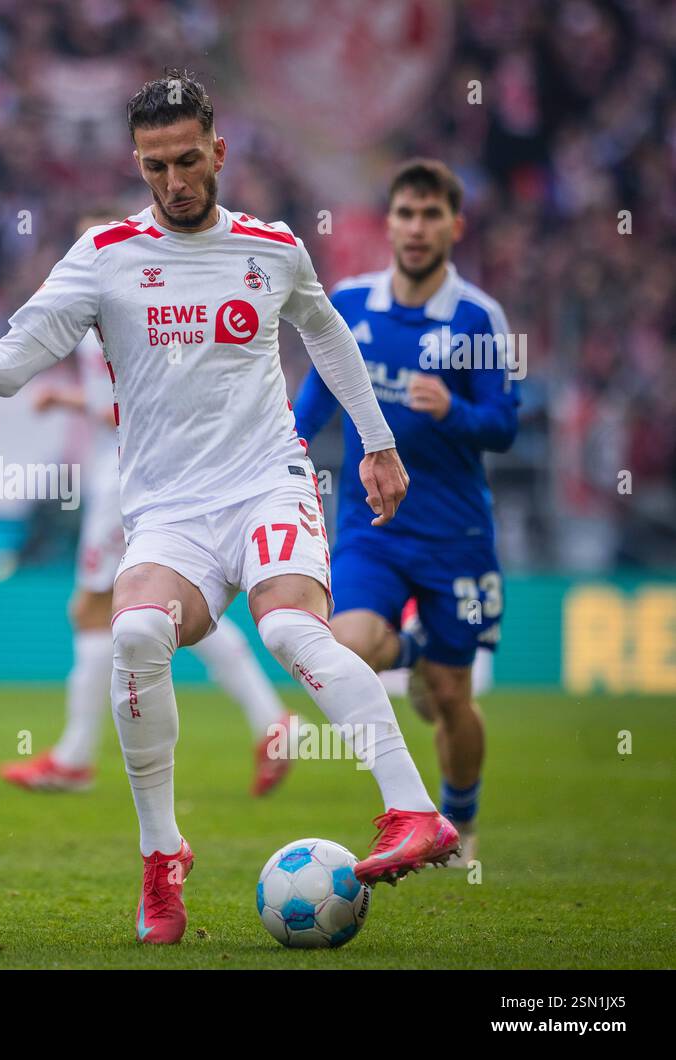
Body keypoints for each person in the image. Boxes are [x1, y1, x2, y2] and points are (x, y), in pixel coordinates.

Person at [0, 71, 457, 944]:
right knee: (133, 633)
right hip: (167, 507)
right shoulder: (105, 257)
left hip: (269, 479)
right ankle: (162, 858)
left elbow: (324, 330)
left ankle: (413, 812)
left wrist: (377, 441)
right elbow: (11, 364)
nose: (175, 182)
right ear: (139, 163)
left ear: (219, 151)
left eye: (189, 160)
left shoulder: (274, 248)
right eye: (156, 166)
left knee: (289, 632)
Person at [1, 216, 292, 796]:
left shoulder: (126, 310)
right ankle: (271, 721)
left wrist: (69, 402)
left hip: (130, 480)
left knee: (98, 610)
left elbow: (132, 410)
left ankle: (77, 757)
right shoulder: (105, 307)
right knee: (165, 609)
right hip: (140, 475)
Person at [294, 159, 519, 865]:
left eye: (430, 215)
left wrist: (454, 411)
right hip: (374, 529)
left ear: (455, 225)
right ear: (388, 223)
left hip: (456, 537)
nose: (416, 228)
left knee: (453, 696)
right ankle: (410, 651)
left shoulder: (480, 318)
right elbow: (315, 401)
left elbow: (506, 425)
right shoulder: (352, 306)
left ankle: (460, 822)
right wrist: (290, 451)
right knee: (344, 645)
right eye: (405, 214)